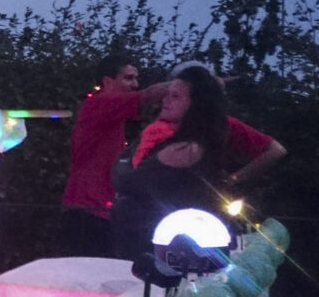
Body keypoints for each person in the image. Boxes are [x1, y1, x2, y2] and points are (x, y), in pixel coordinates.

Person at [110, 65, 285, 260]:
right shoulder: (168, 134)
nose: (165, 100)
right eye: (167, 94)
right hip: (150, 242)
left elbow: (128, 182)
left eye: (175, 96)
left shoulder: (189, 148)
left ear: (197, 104)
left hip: (156, 248)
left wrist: (234, 179)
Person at [60, 53, 169, 257]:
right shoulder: (99, 104)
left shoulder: (109, 113)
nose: (135, 84)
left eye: (136, 78)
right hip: (89, 210)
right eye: (128, 78)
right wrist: (189, 85)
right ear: (108, 81)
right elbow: (147, 96)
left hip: (97, 210)